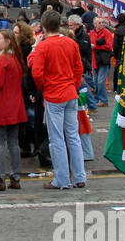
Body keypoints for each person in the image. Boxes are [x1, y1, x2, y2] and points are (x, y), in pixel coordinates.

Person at [30, 10, 87, 190]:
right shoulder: (71, 43)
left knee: (57, 138)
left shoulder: (44, 46)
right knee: (73, 136)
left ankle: (62, 178)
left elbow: (37, 72)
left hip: (54, 94)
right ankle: (79, 176)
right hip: (70, 91)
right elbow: (79, 68)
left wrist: (44, 88)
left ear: (44, 27)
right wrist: (74, 84)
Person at [0, 28, 28, 191]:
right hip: (16, 104)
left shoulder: (3, 59)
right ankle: (15, 177)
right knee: (13, 143)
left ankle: (0, 178)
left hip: (2, 104)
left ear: (8, 41)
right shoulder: (15, 58)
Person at [68, 14, 97, 111]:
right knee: (85, 85)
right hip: (81, 64)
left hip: (83, 64)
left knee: (84, 85)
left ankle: (93, 105)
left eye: (71, 25)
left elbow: (83, 50)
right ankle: (93, 104)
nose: (69, 27)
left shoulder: (83, 35)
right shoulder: (77, 34)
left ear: (77, 25)